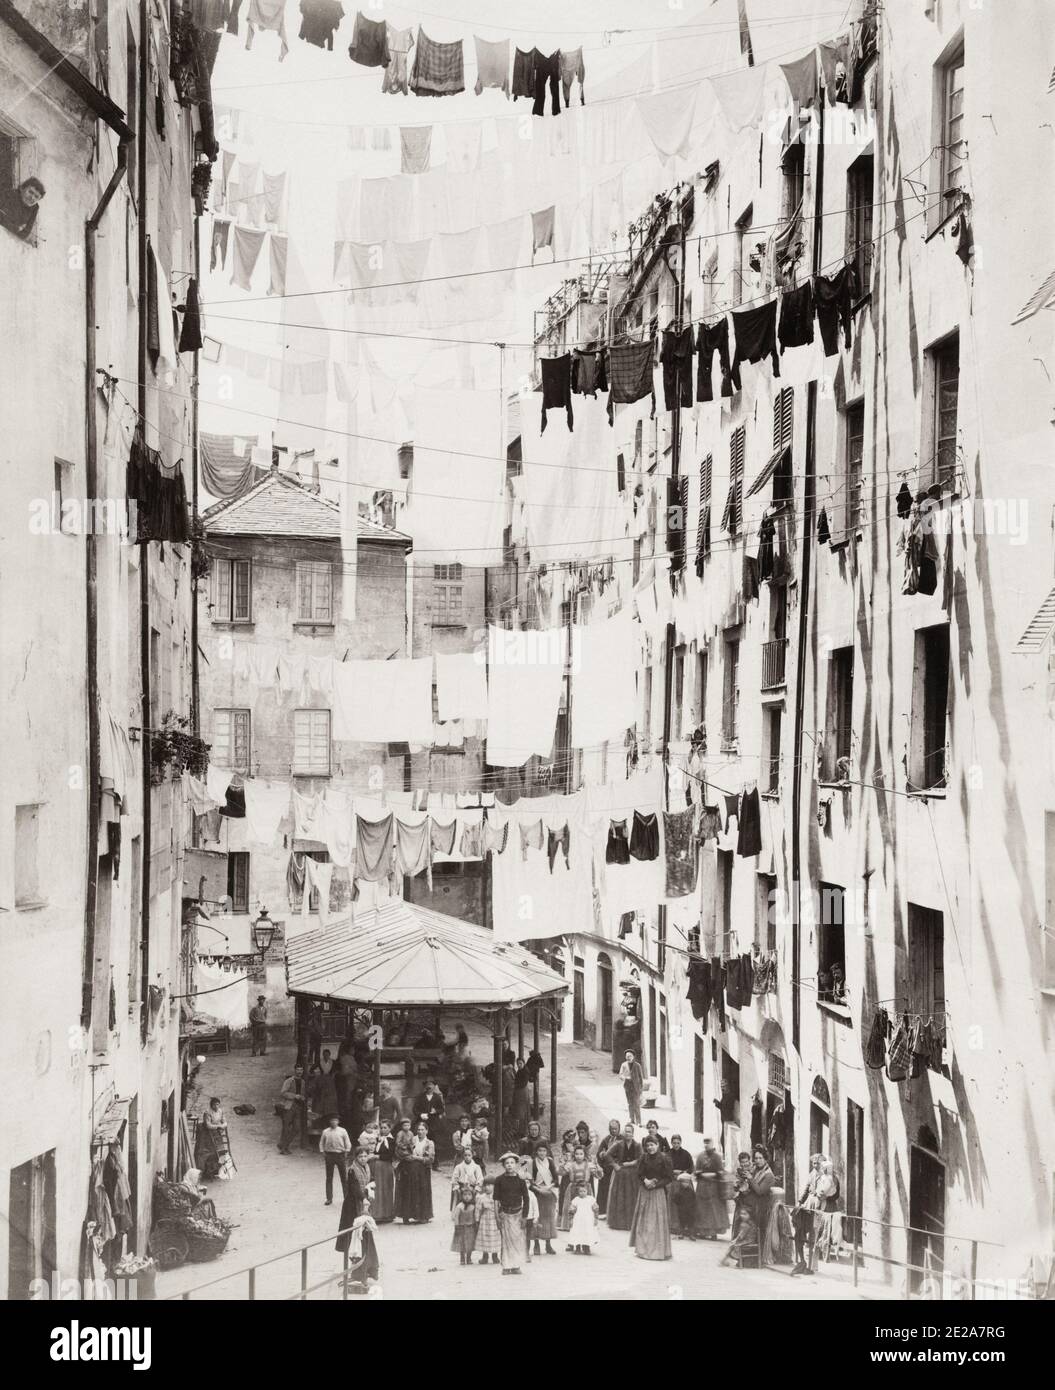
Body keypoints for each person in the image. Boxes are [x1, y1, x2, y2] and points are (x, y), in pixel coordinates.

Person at [629, 1135, 674, 1261]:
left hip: (657, 1193)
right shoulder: (644, 1157)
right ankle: (643, 1250)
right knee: (644, 1221)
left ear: (657, 1145)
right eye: (648, 1145)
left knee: (655, 1222)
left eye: (652, 1145)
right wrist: (645, 1181)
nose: (650, 1148)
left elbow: (669, 1177)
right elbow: (639, 1173)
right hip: (645, 1192)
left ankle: (657, 1251)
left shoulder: (664, 1158)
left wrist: (655, 1184)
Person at [493, 1152, 530, 1275]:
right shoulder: (499, 1180)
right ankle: (506, 1266)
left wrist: (525, 1216)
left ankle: (516, 1266)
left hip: (518, 1214)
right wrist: (497, 1217)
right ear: (503, 1165)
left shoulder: (521, 1181)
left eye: (512, 1163)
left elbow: (526, 1199)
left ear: (516, 1165)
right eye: (507, 1163)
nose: (509, 1165)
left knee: (517, 1241)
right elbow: (496, 1199)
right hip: (505, 1214)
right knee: (506, 1242)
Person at [335, 1196, 379, 1294]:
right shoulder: (352, 1180)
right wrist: (363, 1198)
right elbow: (354, 1187)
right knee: (357, 1244)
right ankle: (359, 1274)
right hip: (355, 1206)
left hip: (363, 1206)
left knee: (364, 1243)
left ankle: (364, 1272)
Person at [394, 1121, 434, 1224]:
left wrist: (417, 1158)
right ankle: (406, 1215)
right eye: (419, 1130)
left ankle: (422, 1216)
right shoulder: (412, 1139)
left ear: (427, 1131)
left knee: (422, 1191)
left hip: (422, 1170)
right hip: (409, 1168)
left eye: (422, 1130)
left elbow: (430, 1159)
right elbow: (402, 1150)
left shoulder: (429, 1143)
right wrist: (406, 1156)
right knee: (408, 1191)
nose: (420, 1132)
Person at [605, 1123, 642, 1232]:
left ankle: (630, 1223)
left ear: (633, 1133)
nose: (627, 1134)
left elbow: (641, 1158)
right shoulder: (618, 1144)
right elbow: (607, 1155)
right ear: (623, 1133)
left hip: (632, 1175)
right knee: (620, 1197)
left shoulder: (637, 1145)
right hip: (620, 1174)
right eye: (626, 1131)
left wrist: (632, 1163)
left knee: (631, 1197)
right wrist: (615, 1165)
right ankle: (618, 1223)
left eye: (629, 1132)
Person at [558, 1144, 600, 1239]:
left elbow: (599, 1176)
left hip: (586, 1190)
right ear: (574, 1155)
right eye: (576, 1154)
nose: (579, 1156)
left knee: (585, 1213)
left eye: (581, 1154)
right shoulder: (570, 1164)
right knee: (574, 1213)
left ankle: (586, 1239)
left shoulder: (589, 1165)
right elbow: (561, 1173)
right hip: (573, 1189)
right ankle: (573, 1239)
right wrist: (561, 1165)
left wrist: (597, 1167)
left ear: (585, 1155)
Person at [694, 1137, 729, 1240]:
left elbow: (721, 1172)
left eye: (708, 1143)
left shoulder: (717, 1157)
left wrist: (713, 1175)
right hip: (702, 1186)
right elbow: (697, 1171)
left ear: (713, 1144)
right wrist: (701, 1174)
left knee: (714, 1209)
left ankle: (714, 1232)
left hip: (714, 1186)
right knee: (702, 1209)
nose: (706, 1145)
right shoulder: (700, 1156)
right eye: (705, 1143)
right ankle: (703, 1231)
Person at [529, 1142, 559, 1255]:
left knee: (548, 1218)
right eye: (540, 1150)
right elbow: (529, 1181)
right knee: (537, 1218)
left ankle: (548, 1244)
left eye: (544, 1151)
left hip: (549, 1192)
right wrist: (538, 1189)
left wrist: (549, 1187)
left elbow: (556, 1179)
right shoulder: (531, 1163)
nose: (542, 1153)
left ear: (547, 1152)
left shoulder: (550, 1162)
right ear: (536, 1152)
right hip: (536, 1192)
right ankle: (536, 1245)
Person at [318, 1115, 352, 1205]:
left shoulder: (342, 1131)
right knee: (329, 1177)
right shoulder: (325, 1131)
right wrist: (323, 1152)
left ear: (338, 1122)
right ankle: (329, 1198)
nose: (333, 1122)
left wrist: (346, 1152)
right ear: (329, 1122)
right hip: (329, 1155)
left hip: (340, 1155)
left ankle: (346, 1197)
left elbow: (347, 1142)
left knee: (344, 1178)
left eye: (335, 1120)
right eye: (332, 1120)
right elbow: (321, 1143)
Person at [668, 1135, 696, 1240]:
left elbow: (691, 1167)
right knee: (674, 1204)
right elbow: (665, 1167)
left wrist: (683, 1173)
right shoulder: (668, 1154)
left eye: (678, 1143)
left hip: (684, 1182)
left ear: (681, 1143)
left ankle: (687, 1228)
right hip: (673, 1181)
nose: (676, 1145)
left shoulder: (686, 1154)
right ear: (671, 1143)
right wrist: (673, 1172)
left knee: (686, 1206)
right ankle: (674, 1227)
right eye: (674, 1143)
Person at [0, 176, 44, 241]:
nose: (32, 198)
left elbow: (26, 232)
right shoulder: (9, 194)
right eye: (30, 192)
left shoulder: (35, 208)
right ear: (22, 188)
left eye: (36, 196)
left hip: (11, 240)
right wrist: (17, 228)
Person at [595, 1118, 623, 1215]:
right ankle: (603, 1210)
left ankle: (614, 1212)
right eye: (611, 1128)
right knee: (604, 1188)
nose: (613, 1131)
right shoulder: (606, 1140)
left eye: (615, 1129)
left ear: (619, 1129)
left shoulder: (622, 1140)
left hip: (616, 1169)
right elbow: (598, 1153)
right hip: (606, 1169)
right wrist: (600, 1160)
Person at [194, 1098, 227, 1180]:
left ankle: (214, 1170)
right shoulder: (207, 1113)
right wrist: (218, 1126)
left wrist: (222, 1126)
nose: (216, 1106)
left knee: (218, 1152)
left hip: (217, 1135)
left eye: (217, 1104)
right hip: (207, 1135)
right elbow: (208, 1125)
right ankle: (204, 1171)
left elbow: (225, 1122)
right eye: (214, 1104)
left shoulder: (220, 1111)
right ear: (211, 1105)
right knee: (207, 1152)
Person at [371, 1120, 397, 1223]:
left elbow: (390, 1155)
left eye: (385, 1128)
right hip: (377, 1168)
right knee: (378, 1189)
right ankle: (378, 1214)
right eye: (381, 1128)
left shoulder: (391, 1140)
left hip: (386, 1167)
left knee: (386, 1189)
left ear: (390, 1129)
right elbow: (374, 1151)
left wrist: (378, 1156)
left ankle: (387, 1214)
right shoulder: (378, 1139)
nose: (383, 1130)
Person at [277, 1066, 306, 1154]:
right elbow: (283, 1093)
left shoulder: (303, 1082)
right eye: (298, 1070)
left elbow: (302, 1093)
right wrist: (294, 1096)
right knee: (286, 1128)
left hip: (298, 1107)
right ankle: (284, 1148)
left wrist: (302, 1097)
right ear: (295, 1070)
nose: (299, 1072)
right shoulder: (289, 1081)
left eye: (301, 1070)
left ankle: (283, 1144)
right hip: (289, 1106)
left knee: (296, 1128)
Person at [473, 1177, 501, 1265]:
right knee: (484, 1237)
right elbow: (478, 1209)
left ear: (494, 1186)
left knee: (495, 1237)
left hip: (494, 1219)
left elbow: (501, 1208)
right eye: (485, 1185)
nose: (486, 1187)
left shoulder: (498, 1196)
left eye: (489, 1185)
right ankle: (485, 1256)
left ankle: (495, 1255)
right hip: (485, 1220)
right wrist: (477, 1220)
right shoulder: (481, 1197)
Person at [569, 1182, 600, 1255]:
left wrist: (596, 1218)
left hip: (588, 1220)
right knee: (578, 1232)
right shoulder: (576, 1200)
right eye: (580, 1191)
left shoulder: (591, 1199)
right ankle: (577, 1247)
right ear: (578, 1192)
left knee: (587, 1232)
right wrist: (571, 1219)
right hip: (578, 1220)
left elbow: (596, 1209)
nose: (582, 1193)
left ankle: (586, 1247)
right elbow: (571, 1210)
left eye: (584, 1191)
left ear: (587, 1191)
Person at [451, 1185, 480, 1265]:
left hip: (471, 1227)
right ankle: (462, 1258)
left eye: (469, 1195)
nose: (467, 1197)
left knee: (470, 1243)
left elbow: (475, 1216)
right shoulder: (459, 1206)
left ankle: (469, 1258)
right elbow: (456, 1217)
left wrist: (476, 1224)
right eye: (465, 1195)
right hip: (461, 1227)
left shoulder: (473, 1206)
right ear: (462, 1196)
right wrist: (456, 1226)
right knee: (462, 1243)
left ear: (472, 1196)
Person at [619, 1050, 645, 1125]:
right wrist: (624, 1077)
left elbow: (641, 1078)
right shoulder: (623, 1065)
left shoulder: (637, 1065)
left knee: (636, 1104)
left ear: (633, 1057)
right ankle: (632, 1119)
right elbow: (620, 1075)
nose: (628, 1058)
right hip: (627, 1086)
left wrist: (641, 1089)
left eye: (630, 1056)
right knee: (630, 1104)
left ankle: (639, 1121)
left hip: (636, 1087)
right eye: (627, 1056)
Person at [510, 1058, 531, 1131]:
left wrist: (514, 1085)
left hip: (522, 1093)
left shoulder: (526, 1071)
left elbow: (523, 1083)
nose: (519, 1065)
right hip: (519, 1093)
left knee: (522, 1113)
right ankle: (521, 1130)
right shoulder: (520, 1070)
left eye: (520, 1063)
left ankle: (524, 1131)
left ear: (524, 1063)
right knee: (519, 1112)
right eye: (518, 1064)